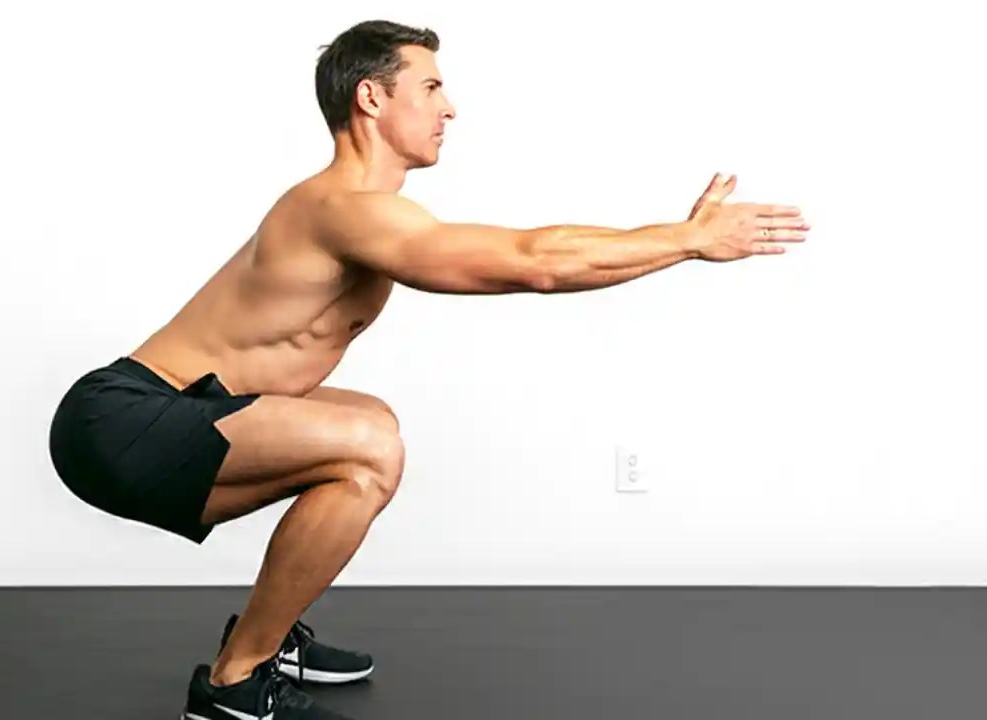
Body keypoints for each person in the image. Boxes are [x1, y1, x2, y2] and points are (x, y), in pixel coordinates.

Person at [48, 18, 811, 720]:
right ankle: (233, 687)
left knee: (372, 423)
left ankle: (266, 633)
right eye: (432, 87)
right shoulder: (342, 208)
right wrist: (684, 239)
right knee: (368, 450)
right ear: (371, 97)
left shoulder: (353, 208)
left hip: (154, 415)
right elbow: (534, 262)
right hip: (123, 422)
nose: (450, 109)